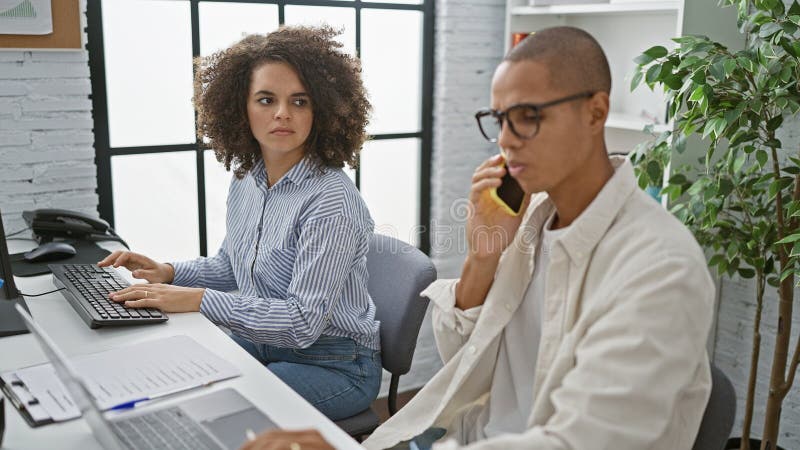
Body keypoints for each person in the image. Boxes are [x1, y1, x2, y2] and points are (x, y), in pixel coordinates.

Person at [243, 26, 715, 450]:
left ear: (596, 113)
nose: (507, 140)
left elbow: (579, 441)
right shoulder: (533, 226)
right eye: (500, 118)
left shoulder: (660, 267)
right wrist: (483, 257)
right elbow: (467, 362)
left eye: (528, 116)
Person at [98, 26, 382, 422]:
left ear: (322, 111)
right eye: (266, 99)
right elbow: (233, 266)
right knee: (168, 386)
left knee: (218, 415)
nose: (282, 113)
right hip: (261, 345)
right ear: (240, 107)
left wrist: (197, 299)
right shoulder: (246, 178)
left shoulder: (331, 201)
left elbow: (302, 323)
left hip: (335, 365)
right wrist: (169, 271)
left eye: (299, 101)